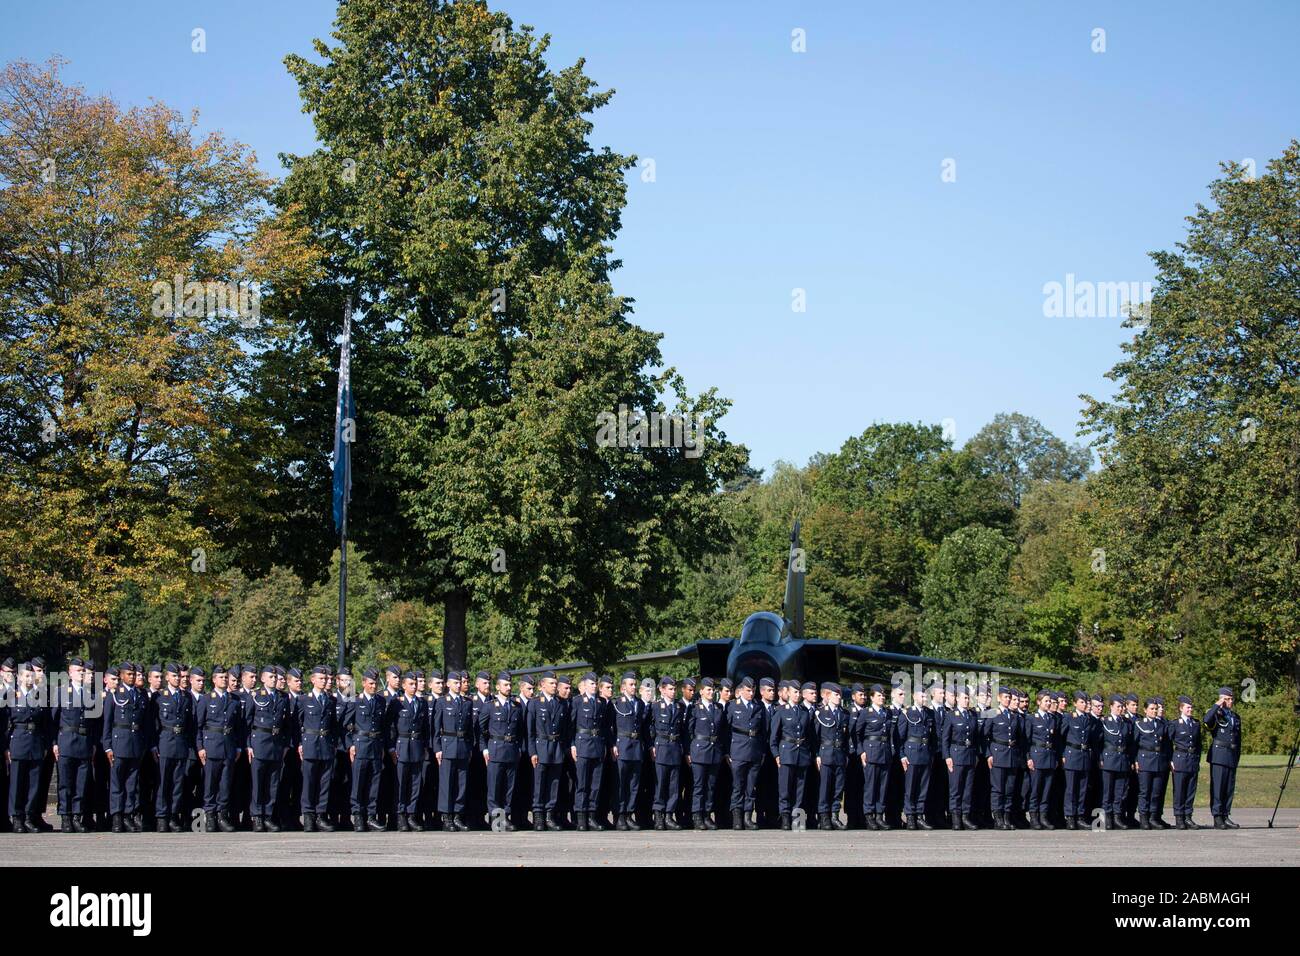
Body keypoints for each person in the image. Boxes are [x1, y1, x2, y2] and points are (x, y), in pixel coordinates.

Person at [195, 665, 244, 832]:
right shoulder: (206, 699)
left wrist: (238, 747)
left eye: (225, 677)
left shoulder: (234, 700)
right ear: (214, 680)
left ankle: (222, 815)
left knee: (225, 784)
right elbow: (199, 726)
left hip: (229, 745)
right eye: (221, 677)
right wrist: (200, 746)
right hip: (211, 745)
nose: (224, 680)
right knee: (210, 783)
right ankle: (210, 816)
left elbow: (238, 726)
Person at [101, 662, 147, 832]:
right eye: (129, 674)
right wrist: (107, 746)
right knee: (117, 783)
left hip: (135, 743)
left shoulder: (140, 695)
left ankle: (129, 814)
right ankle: (117, 816)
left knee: (132, 783)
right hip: (119, 743)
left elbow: (143, 723)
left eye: (134, 674)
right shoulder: (114, 695)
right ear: (121, 676)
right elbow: (107, 723)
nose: (132, 677)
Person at [342, 668, 388, 831]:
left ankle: (370, 815)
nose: (374, 686)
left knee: (374, 782)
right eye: (371, 683)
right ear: (363, 683)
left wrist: (382, 745)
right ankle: (358, 815)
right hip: (361, 744)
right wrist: (351, 744)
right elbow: (346, 725)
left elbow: (383, 726)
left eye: (375, 683)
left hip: (375, 745)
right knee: (358, 782)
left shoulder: (381, 701)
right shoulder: (355, 700)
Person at [245, 664, 290, 832]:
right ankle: (257, 816)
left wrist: (286, 744)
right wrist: (248, 745)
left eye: (275, 677)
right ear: (263, 678)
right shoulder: (255, 695)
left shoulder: (282, 697)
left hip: (276, 743)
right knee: (258, 782)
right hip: (259, 742)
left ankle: (268, 816)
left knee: (272, 783)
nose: (274, 679)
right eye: (270, 677)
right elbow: (247, 723)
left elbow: (286, 724)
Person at [7, 663, 49, 833]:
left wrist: (45, 744)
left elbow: (46, 723)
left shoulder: (40, 696)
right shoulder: (11, 696)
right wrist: (5, 747)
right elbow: (7, 723)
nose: (29, 679)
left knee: (34, 783)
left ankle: (29, 816)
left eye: (32, 676)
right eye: (26, 676)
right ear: (19, 677)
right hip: (18, 741)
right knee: (17, 783)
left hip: (36, 742)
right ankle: (16, 818)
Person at [770, 680, 815, 830]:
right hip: (786, 753)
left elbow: (809, 735)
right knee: (785, 789)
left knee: (800, 789)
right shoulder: (781, 711)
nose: (797, 695)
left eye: (798, 692)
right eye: (794, 692)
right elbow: (774, 738)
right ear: (788, 693)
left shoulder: (804, 712)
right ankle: (785, 817)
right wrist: (776, 754)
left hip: (802, 754)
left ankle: (798, 819)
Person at [297, 665, 338, 832]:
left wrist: (333, 743)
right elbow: (297, 723)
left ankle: (321, 814)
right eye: (321, 678)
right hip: (310, 743)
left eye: (326, 679)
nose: (324, 681)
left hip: (326, 744)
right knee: (309, 781)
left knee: (324, 782)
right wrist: (300, 743)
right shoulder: (304, 700)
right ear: (312, 680)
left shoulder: (330, 700)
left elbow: (334, 725)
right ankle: (308, 815)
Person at [152, 662, 192, 833]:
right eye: (174, 676)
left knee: (177, 782)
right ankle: (162, 817)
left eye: (179, 676)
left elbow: (190, 723)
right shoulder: (159, 696)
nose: (177, 678)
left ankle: (174, 815)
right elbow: (153, 724)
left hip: (181, 742)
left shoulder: (185, 697)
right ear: (167, 677)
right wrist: (154, 745)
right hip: (165, 741)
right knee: (163, 781)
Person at [433, 670, 475, 831]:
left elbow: (470, 729)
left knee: (461, 783)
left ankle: (458, 815)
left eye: (460, 683)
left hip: (463, 746)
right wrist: (437, 748)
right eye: (455, 683)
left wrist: (469, 747)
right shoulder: (442, 702)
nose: (458, 685)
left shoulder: (467, 702)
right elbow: (436, 728)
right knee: (447, 784)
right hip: (447, 745)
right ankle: (447, 817)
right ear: (448, 684)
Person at [481, 671, 523, 831]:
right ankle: (496, 820)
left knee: (508, 788)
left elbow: (520, 730)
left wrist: (518, 746)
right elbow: (480, 729)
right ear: (498, 687)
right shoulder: (489, 706)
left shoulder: (516, 706)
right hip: (496, 749)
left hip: (511, 750)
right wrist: (484, 748)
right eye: (505, 684)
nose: (508, 687)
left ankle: (506, 816)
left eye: (510, 684)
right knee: (494, 787)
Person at [569, 672, 610, 831]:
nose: (594, 686)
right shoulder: (577, 701)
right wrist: (572, 744)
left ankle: (592, 816)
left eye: (595, 684)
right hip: (583, 744)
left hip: (598, 745)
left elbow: (605, 727)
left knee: (595, 784)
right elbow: (571, 725)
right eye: (591, 684)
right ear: (584, 685)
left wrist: (605, 745)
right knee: (582, 783)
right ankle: (581, 817)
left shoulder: (601, 703)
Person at [389, 671, 428, 831]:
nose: (414, 686)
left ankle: (412, 814)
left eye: (415, 684)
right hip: (402, 745)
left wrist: (424, 746)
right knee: (401, 782)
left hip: (417, 746)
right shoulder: (397, 702)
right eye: (411, 684)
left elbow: (426, 727)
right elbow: (390, 726)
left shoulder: (421, 702)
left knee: (415, 783)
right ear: (404, 685)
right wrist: (391, 747)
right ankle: (400, 815)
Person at [725, 676, 765, 830]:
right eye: (748, 690)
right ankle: (737, 817)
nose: (751, 693)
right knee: (737, 786)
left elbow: (763, 731)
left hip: (754, 750)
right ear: (741, 691)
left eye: (753, 690)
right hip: (738, 750)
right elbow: (726, 730)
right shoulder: (732, 706)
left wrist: (761, 752)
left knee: (750, 786)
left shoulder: (758, 706)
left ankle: (747, 817)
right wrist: (728, 752)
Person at [528, 671, 567, 831]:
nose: (554, 686)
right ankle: (538, 816)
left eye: (555, 683)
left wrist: (562, 748)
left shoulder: (560, 703)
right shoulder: (535, 703)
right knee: (539, 783)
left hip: (556, 747)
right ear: (542, 685)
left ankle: (550, 815)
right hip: (541, 746)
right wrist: (533, 752)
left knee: (553, 784)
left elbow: (565, 729)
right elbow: (530, 731)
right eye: (551, 683)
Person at [685, 676, 725, 830]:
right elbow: (688, 731)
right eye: (708, 689)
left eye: (712, 689)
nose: (711, 692)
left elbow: (721, 731)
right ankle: (697, 815)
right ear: (701, 691)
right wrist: (689, 751)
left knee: (711, 785)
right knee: (699, 785)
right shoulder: (694, 708)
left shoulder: (717, 708)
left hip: (714, 751)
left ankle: (707, 814)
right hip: (700, 750)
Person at [982, 686, 1023, 831]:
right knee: (998, 788)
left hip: (1011, 755)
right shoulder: (992, 713)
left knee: (1009, 789)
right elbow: (985, 736)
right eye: (1005, 697)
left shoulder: (1013, 715)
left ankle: (1006, 816)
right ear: (998, 698)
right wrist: (989, 754)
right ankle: (998, 818)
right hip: (998, 754)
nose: (1008, 700)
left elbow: (1018, 737)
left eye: (1009, 697)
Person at [611, 671, 647, 831]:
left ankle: (629, 814)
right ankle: (619, 815)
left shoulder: (639, 703)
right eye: (631, 684)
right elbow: (609, 726)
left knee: (634, 784)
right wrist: (613, 744)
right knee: (620, 783)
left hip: (636, 746)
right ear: (623, 687)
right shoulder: (616, 703)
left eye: (635, 684)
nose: (634, 687)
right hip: (623, 745)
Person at [940, 684, 980, 830]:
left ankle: (965, 816)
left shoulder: (972, 715)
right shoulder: (951, 715)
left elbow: (976, 737)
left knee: (967, 789)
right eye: (964, 698)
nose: (967, 701)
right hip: (956, 754)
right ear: (957, 699)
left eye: (969, 698)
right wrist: (947, 756)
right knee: (956, 789)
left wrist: (975, 754)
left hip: (969, 754)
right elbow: (945, 738)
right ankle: (956, 818)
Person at [812, 682, 849, 830]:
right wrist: (817, 755)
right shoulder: (820, 713)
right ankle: (824, 816)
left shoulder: (843, 714)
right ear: (828, 696)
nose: (839, 697)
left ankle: (834, 815)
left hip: (839, 754)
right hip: (826, 753)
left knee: (838, 787)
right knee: (825, 787)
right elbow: (815, 737)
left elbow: (846, 738)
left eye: (839, 694)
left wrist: (845, 754)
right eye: (836, 694)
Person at [856, 683, 892, 830]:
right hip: (871, 751)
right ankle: (869, 815)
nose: (882, 698)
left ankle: (879, 815)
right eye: (879, 695)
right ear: (872, 697)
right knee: (871, 786)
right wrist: (861, 751)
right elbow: (856, 733)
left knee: (883, 786)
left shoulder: (887, 713)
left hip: (884, 752)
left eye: (883, 695)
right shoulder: (866, 712)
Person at [650, 676, 684, 830]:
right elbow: (649, 727)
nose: (673, 691)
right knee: (661, 783)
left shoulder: (679, 707)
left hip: (675, 747)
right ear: (662, 690)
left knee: (673, 785)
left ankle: (669, 815)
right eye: (670, 689)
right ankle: (658, 815)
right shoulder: (656, 706)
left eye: (674, 688)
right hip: (662, 746)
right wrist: (652, 745)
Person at [1204, 686, 1241, 829]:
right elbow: (1206, 720)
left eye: (1231, 699)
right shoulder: (1215, 714)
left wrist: (1237, 757)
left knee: (1229, 788)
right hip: (1219, 755)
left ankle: (1226, 814)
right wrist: (1216, 705)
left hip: (1231, 755)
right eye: (1227, 699)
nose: (1230, 702)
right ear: (1221, 699)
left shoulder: (1235, 717)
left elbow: (1239, 739)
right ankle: (1217, 816)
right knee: (1218, 787)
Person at [897, 688, 934, 830]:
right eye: (922, 695)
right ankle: (910, 816)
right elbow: (900, 737)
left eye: (926, 696)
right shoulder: (907, 713)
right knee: (910, 787)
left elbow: (933, 737)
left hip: (925, 754)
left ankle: (919, 815)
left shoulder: (929, 713)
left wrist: (930, 754)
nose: (925, 698)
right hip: (911, 754)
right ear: (914, 696)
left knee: (922, 788)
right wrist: (902, 755)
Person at [1099, 694, 1135, 830]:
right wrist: (1101, 758)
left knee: (1121, 791)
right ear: (1111, 707)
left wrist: (1131, 760)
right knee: (1107, 791)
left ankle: (1117, 817)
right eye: (1118, 706)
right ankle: (1105, 818)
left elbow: (1130, 744)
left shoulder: (1127, 722)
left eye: (1122, 706)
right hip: (1109, 758)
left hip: (1123, 759)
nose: (1120, 709)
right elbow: (1099, 742)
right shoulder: (1105, 721)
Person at [1134, 697, 1169, 830]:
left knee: (1156, 792)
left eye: (1156, 709)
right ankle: (1143, 817)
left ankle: (1153, 817)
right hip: (1145, 760)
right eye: (1152, 709)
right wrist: (1136, 760)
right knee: (1145, 791)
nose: (1154, 711)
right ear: (1145, 710)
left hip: (1158, 761)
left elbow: (1165, 745)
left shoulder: (1161, 724)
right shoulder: (1140, 724)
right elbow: (1134, 744)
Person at [1026, 690, 1059, 830]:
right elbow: (1026, 740)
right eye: (1046, 701)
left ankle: (1043, 816)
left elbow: (1055, 740)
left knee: (1046, 789)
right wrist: (1028, 758)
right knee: (1036, 789)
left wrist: (1056, 757)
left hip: (1049, 756)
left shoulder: (1052, 719)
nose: (1049, 703)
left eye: (1050, 701)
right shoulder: (1032, 718)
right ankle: (1034, 816)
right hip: (1037, 756)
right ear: (1038, 702)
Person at [1060, 690, 1094, 830]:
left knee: (1082, 789)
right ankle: (1070, 817)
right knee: (1071, 789)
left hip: (1084, 755)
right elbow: (1061, 737)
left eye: (1085, 702)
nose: (1084, 704)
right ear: (1075, 703)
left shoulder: (1088, 719)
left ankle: (1080, 816)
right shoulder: (1069, 717)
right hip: (1072, 755)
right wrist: (1063, 755)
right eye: (1081, 702)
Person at [1170, 695, 1203, 830]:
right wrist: (1170, 760)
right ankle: (1179, 817)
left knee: (1190, 790)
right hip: (1180, 759)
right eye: (1188, 707)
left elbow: (1199, 744)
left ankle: (1188, 816)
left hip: (1192, 759)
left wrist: (1197, 759)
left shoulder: (1195, 724)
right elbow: (1168, 743)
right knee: (1179, 790)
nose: (1191, 710)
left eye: (1191, 707)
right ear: (1181, 708)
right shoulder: (1175, 724)